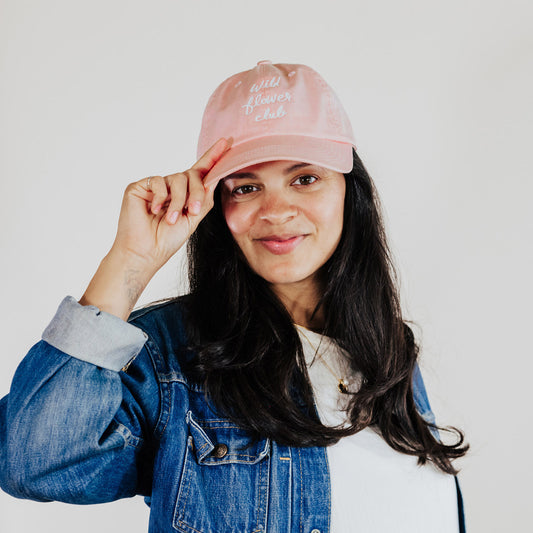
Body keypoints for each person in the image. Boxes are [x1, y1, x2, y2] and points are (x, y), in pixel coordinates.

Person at [0, 60, 468, 532]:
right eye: (245, 187)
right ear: (216, 208)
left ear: (350, 191)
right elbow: (31, 461)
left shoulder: (390, 348)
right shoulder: (172, 359)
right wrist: (130, 260)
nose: (277, 210)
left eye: (304, 178)